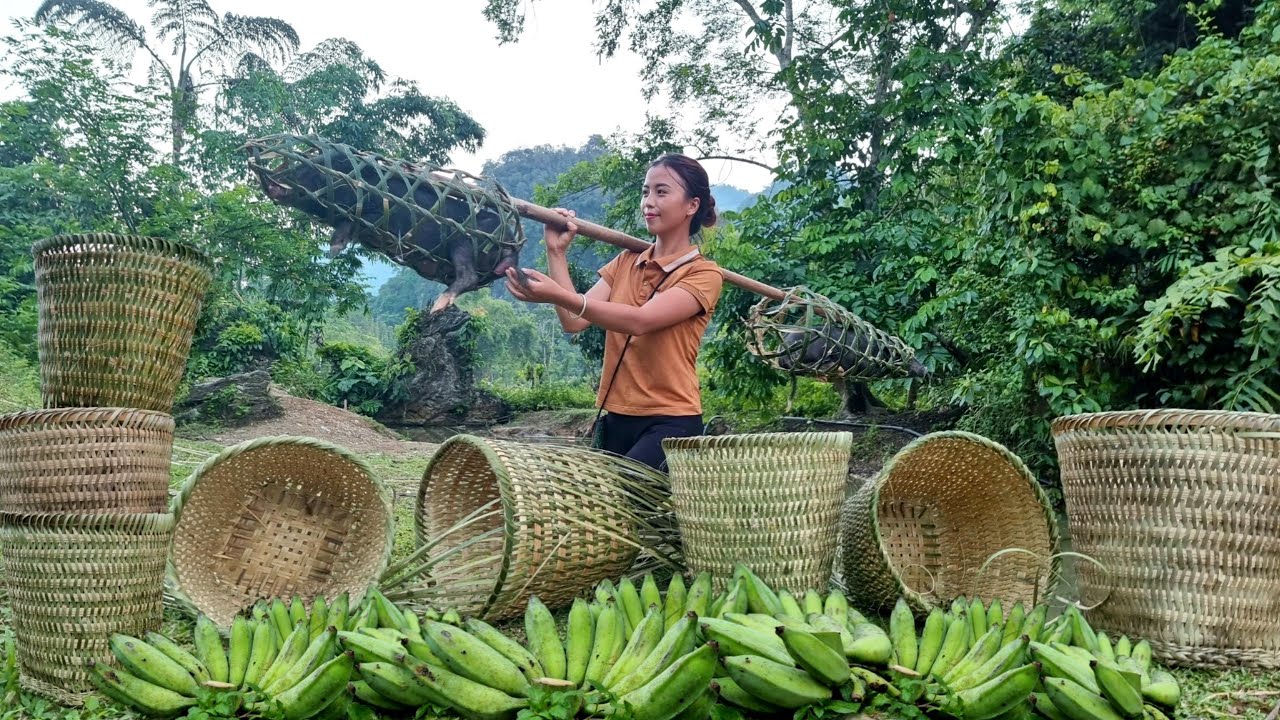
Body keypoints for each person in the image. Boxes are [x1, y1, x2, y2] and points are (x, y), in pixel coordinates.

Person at [504, 153, 724, 472]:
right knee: (613, 518)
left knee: (630, 504)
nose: (648, 201)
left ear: (692, 205)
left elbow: (642, 321)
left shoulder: (704, 274)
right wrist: (556, 251)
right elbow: (573, 320)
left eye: (662, 192)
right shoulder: (625, 262)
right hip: (617, 416)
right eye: (646, 191)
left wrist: (557, 294)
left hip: (671, 422)